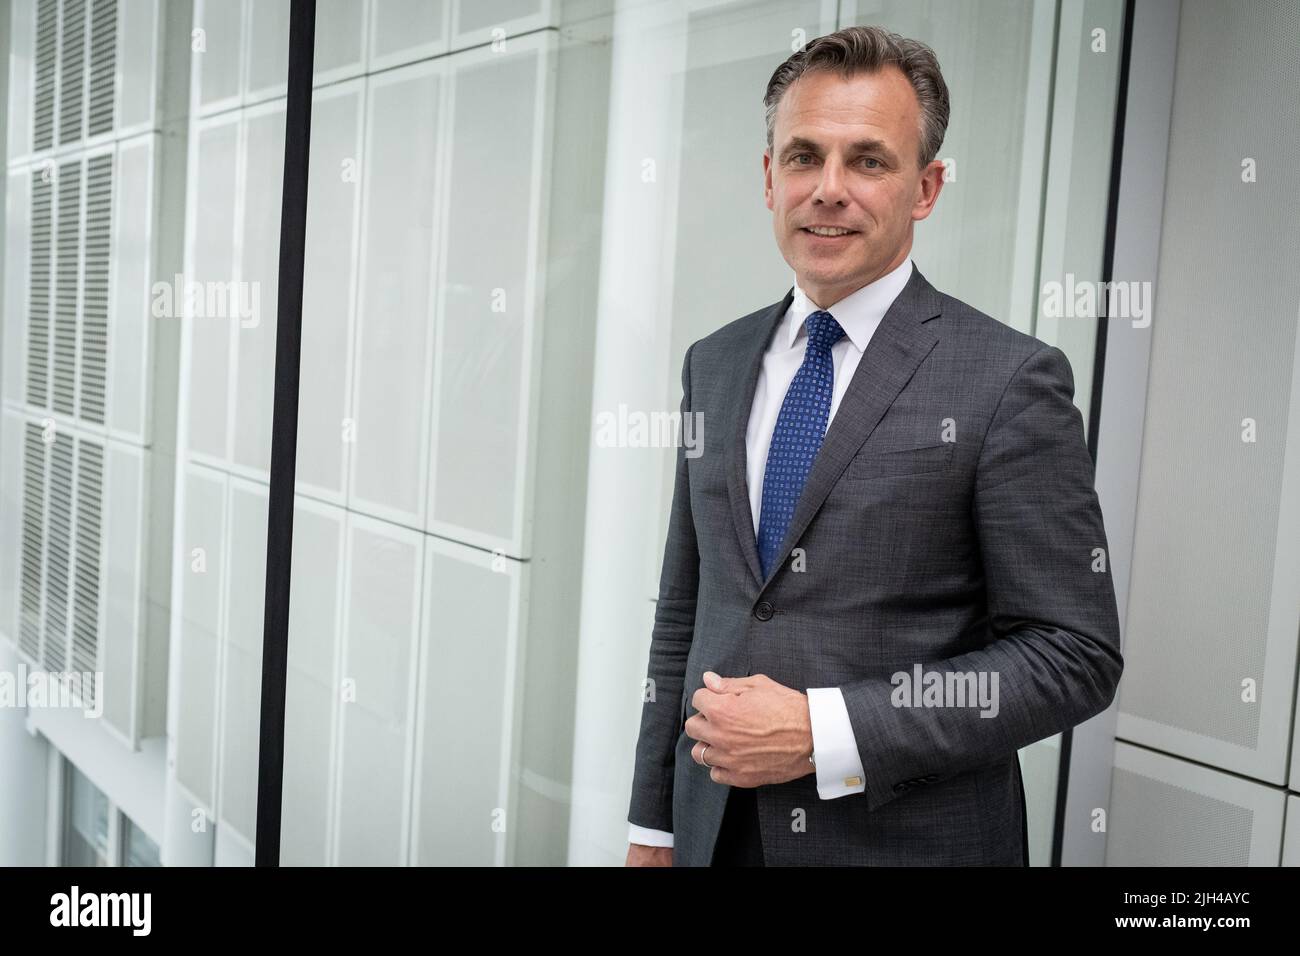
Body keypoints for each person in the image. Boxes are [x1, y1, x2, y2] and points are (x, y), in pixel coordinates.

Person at [625, 24, 1123, 867]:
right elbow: (686, 613)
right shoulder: (713, 364)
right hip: (715, 838)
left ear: (925, 187)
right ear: (768, 177)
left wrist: (827, 731)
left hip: (907, 846)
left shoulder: (1008, 381)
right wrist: (654, 827)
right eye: (803, 156)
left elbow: (1072, 655)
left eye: (868, 160)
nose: (827, 189)